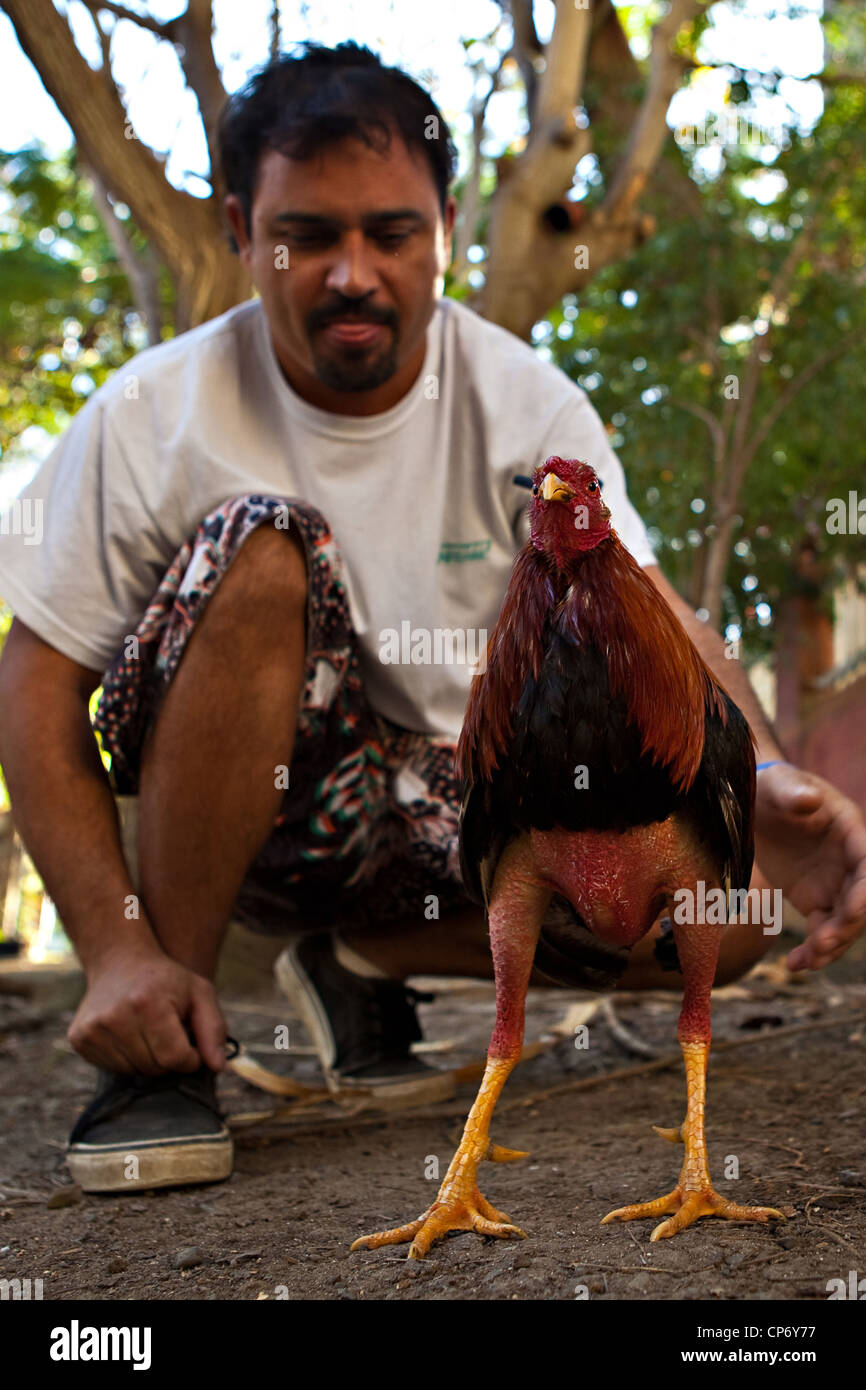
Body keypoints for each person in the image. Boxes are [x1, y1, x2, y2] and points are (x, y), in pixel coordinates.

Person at [0, 42, 863, 1194]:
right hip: (247, 816)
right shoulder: (151, 413)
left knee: (727, 905)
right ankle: (168, 1039)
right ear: (236, 227)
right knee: (265, 547)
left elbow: (643, 601)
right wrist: (114, 950)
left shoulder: (522, 398)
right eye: (306, 233)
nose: (351, 271)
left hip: (444, 802)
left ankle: (358, 959)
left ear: (447, 225)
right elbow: (36, 677)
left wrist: (755, 771)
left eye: (390, 232)